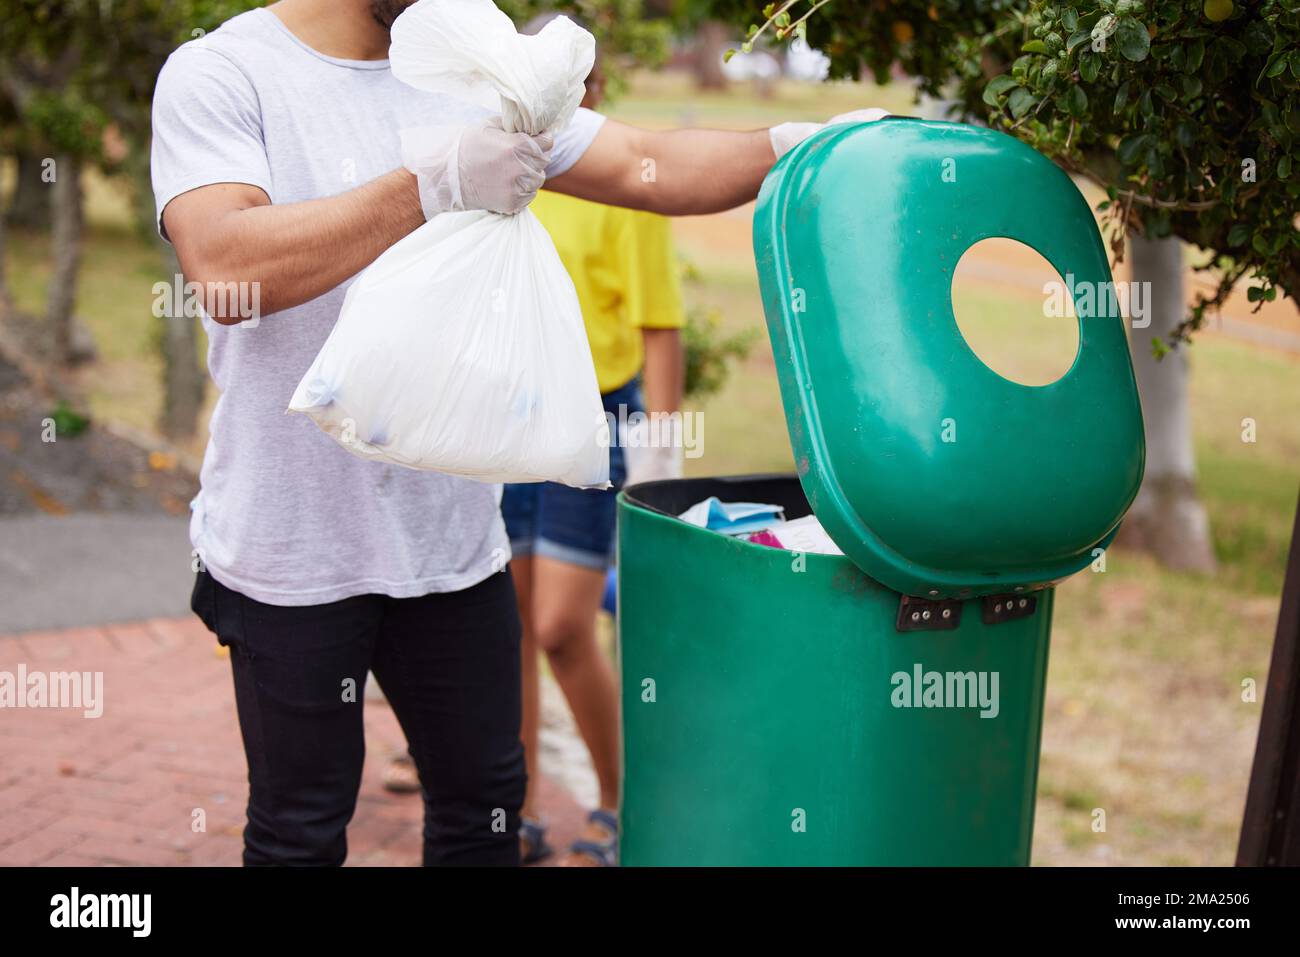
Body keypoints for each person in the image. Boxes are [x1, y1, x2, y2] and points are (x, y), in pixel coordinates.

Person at [153, 0, 884, 866]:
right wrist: (429, 183)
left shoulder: (470, 64)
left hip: (453, 547)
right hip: (293, 548)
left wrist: (796, 146)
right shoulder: (224, 73)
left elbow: (647, 161)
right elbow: (228, 263)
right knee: (300, 829)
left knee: (484, 808)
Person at [503, 13, 684, 866]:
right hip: (502, 419)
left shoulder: (619, 175)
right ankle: (522, 810)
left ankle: (622, 801)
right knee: (507, 629)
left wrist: (663, 441)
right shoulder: (506, 167)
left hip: (597, 420)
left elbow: (661, 326)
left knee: (561, 627)